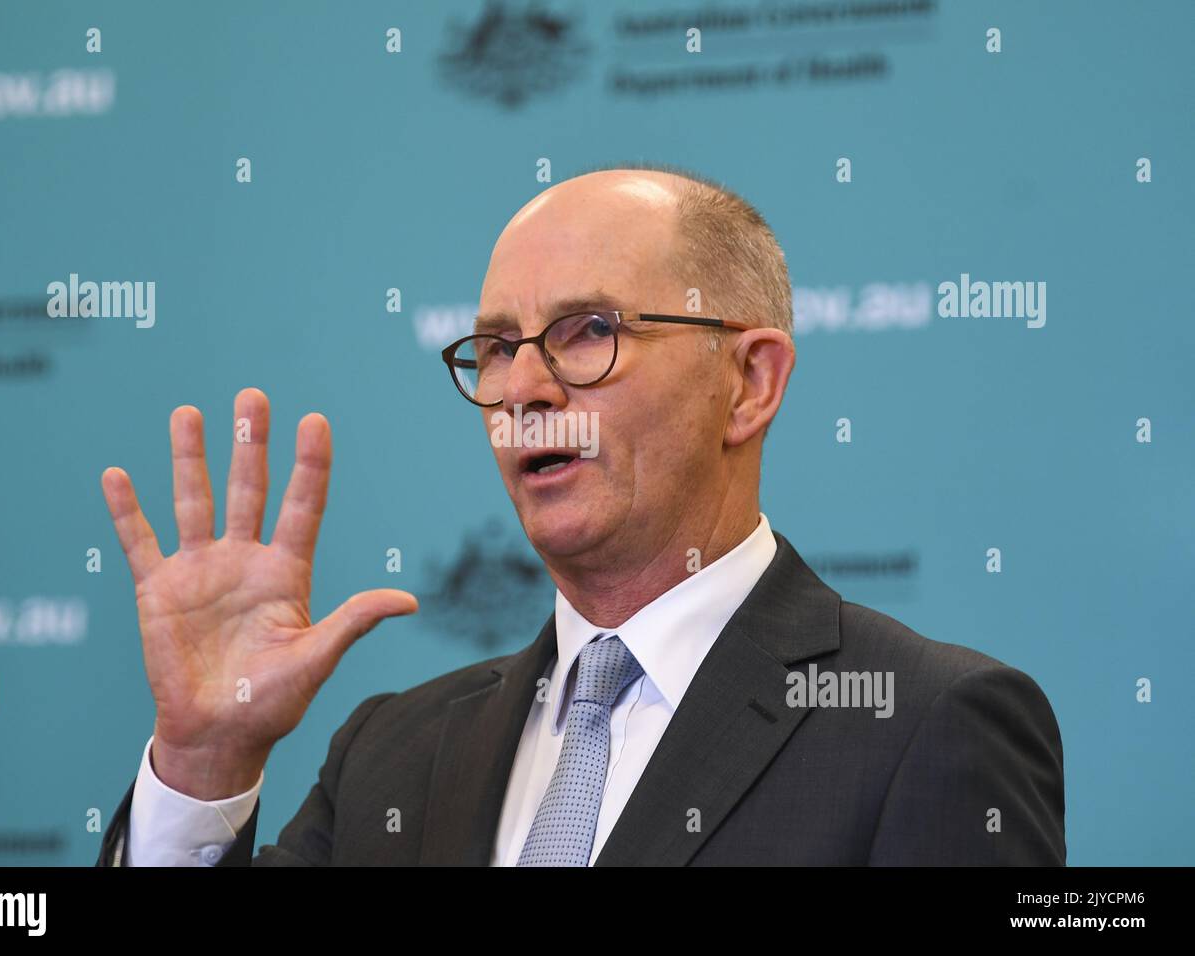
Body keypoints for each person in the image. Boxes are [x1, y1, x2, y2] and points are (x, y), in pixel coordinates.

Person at [94, 164, 1066, 866]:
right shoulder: (393, 752)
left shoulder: (924, 724)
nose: (520, 385)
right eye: (494, 346)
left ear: (748, 381)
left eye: (586, 331)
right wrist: (203, 761)